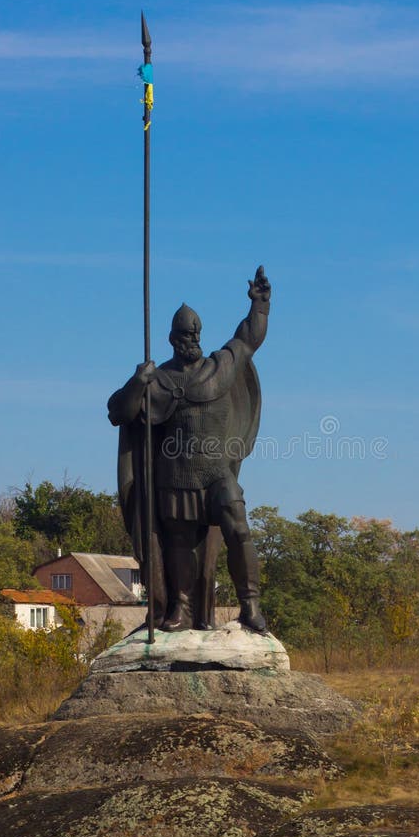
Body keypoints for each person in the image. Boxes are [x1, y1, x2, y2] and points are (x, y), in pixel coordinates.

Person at [108, 265, 271, 633]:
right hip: (175, 474)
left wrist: (260, 306)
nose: (191, 338)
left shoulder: (220, 366)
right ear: (172, 337)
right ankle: (179, 606)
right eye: (184, 333)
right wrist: (138, 382)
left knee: (238, 525)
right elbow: (119, 412)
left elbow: (248, 338)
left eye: (195, 332)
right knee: (179, 544)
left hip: (216, 472)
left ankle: (250, 604)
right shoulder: (159, 379)